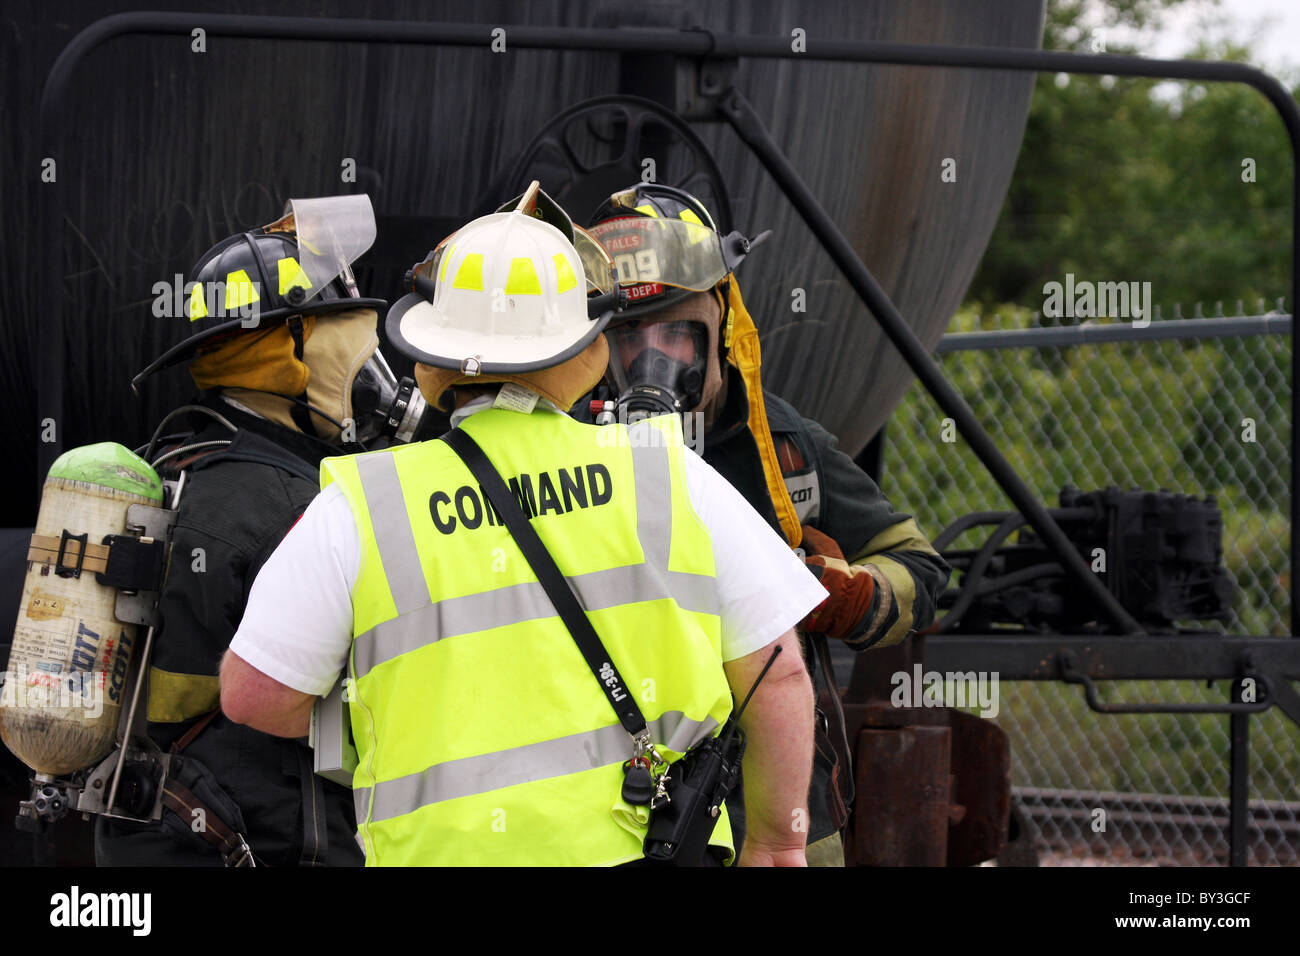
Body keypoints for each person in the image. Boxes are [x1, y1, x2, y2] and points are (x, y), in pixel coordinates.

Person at [219, 189, 825, 866]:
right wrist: (777, 841)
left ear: (430, 359)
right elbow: (776, 677)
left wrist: (386, 714)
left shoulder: (361, 506)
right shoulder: (667, 474)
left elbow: (255, 695)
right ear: (586, 347)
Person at [584, 183, 953, 866]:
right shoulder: (568, 451)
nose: (651, 360)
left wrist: (843, 595)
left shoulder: (784, 449)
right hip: (623, 814)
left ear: (722, 320)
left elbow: (922, 571)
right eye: (628, 337)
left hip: (781, 818)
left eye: (676, 332)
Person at [95, 195, 419, 866]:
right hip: (262, 847)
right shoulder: (304, 510)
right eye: (348, 342)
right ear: (285, 358)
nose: (369, 368)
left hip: (143, 838)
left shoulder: (169, 469)